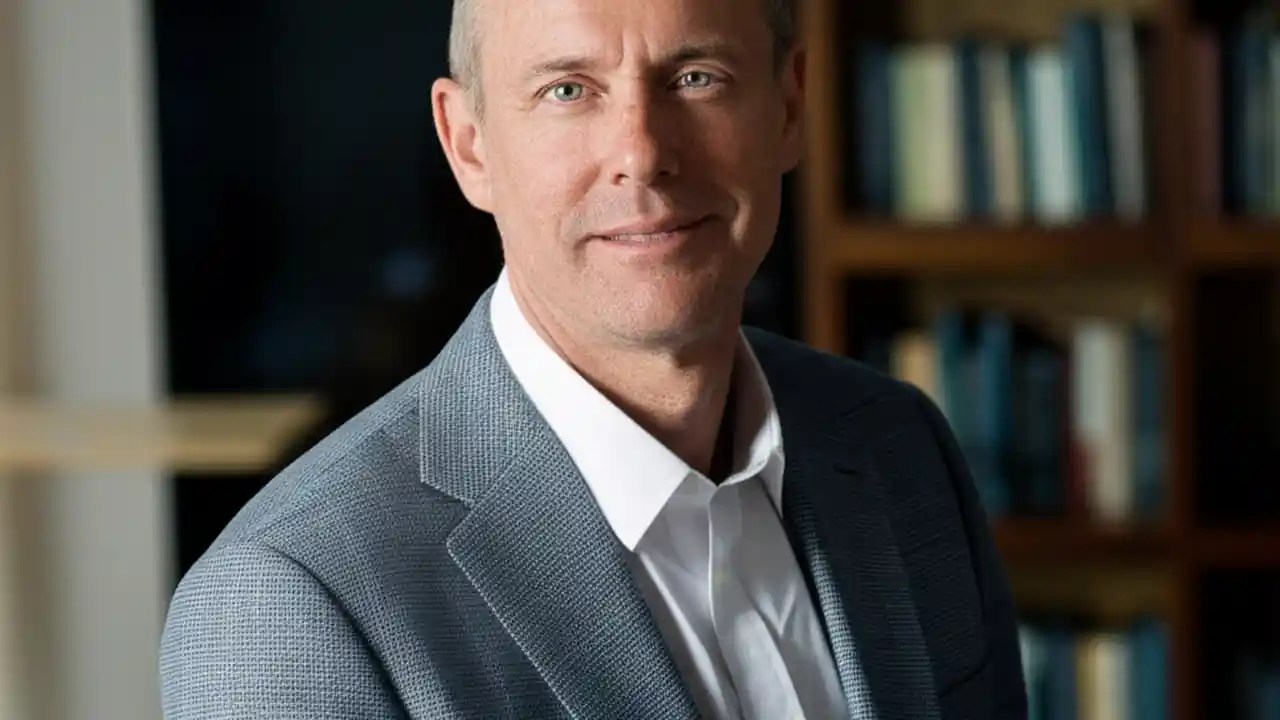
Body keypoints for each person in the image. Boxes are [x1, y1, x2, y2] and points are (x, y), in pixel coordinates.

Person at [159, 0, 1027, 717]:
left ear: (790, 107)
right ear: (469, 145)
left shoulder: (897, 446)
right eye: (568, 90)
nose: (642, 152)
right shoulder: (289, 608)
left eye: (696, 77)